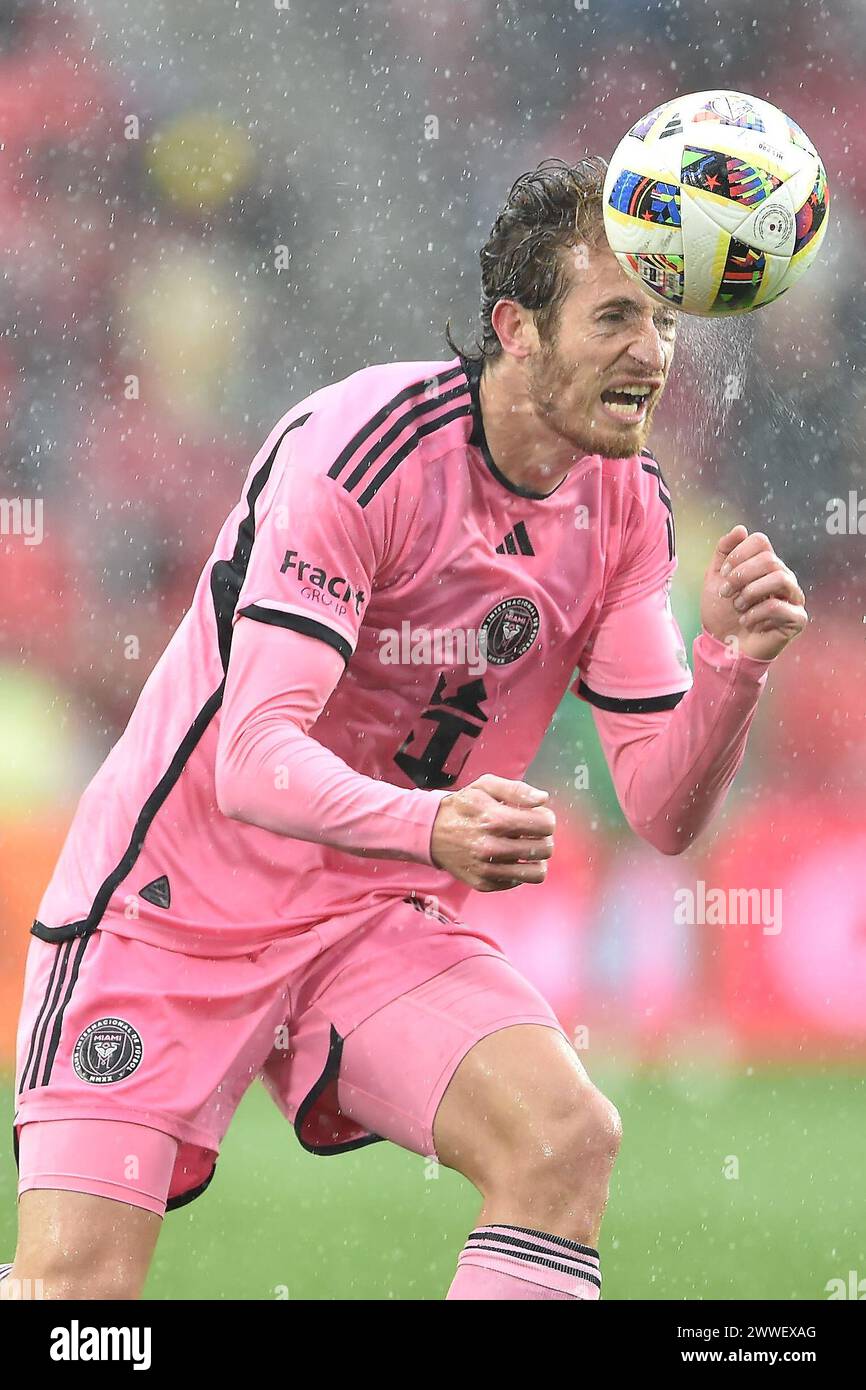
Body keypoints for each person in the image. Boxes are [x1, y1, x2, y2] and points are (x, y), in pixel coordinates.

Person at [4, 157, 806, 1302]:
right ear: (515, 329)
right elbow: (252, 758)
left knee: (561, 1140)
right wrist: (434, 827)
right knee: (75, 1298)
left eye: (663, 320)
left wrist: (732, 664)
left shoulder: (625, 504)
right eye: (614, 317)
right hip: (170, 910)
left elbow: (659, 813)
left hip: (370, 918)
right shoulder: (363, 448)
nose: (651, 351)